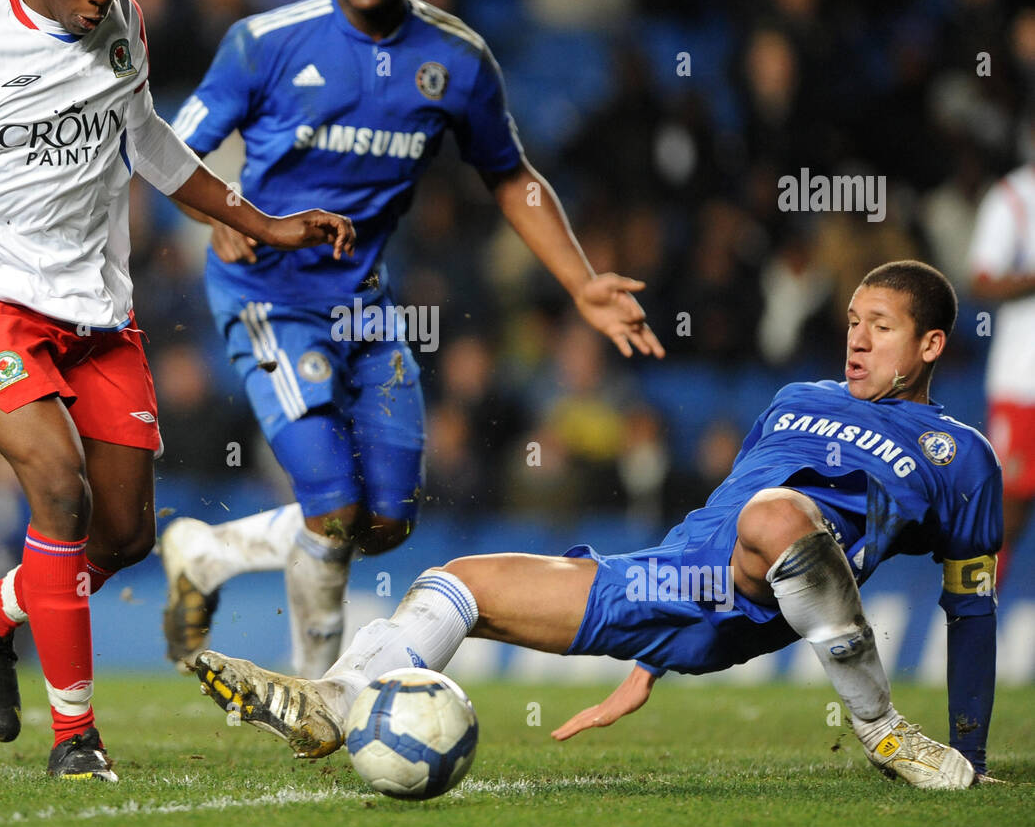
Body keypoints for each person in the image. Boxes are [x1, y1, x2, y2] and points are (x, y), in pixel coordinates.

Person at [0, 0, 354, 783]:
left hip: (95, 303)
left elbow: (148, 138)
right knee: (57, 483)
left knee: (122, 534)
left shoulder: (121, 20)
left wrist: (255, 217)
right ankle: (76, 739)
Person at [193, 261, 1000, 790]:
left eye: (881, 325)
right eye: (853, 318)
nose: (856, 337)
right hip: (680, 575)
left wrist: (973, 750)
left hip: (769, 575)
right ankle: (332, 702)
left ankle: (884, 731)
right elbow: (723, 516)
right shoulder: (797, 399)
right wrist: (654, 648)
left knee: (778, 515)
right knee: (459, 580)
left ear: (930, 344)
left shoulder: (960, 457)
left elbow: (970, 609)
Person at [161, 0, 663, 679]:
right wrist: (221, 215)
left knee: (384, 521)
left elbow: (511, 175)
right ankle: (320, 696)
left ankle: (207, 551)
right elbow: (171, 153)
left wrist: (580, 281)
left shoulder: (457, 60)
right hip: (269, 294)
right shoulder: (265, 42)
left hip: (364, 304)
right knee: (331, 502)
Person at [969, 153, 1035, 584]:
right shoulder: (1013, 195)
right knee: (1009, 506)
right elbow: (981, 280)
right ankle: (973, 614)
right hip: (1023, 376)